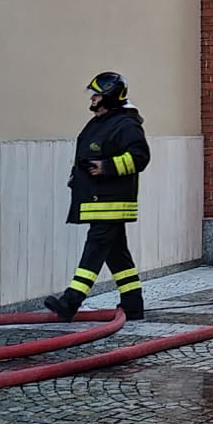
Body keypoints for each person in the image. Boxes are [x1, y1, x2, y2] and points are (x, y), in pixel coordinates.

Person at [42, 72, 151, 322]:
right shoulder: (99, 123)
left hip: (111, 202)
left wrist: (106, 167)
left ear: (110, 96)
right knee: (117, 254)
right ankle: (133, 304)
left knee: (94, 250)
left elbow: (140, 157)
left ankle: (71, 302)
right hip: (95, 198)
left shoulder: (126, 124)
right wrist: (76, 176)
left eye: (97, 94)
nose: (92, 98)